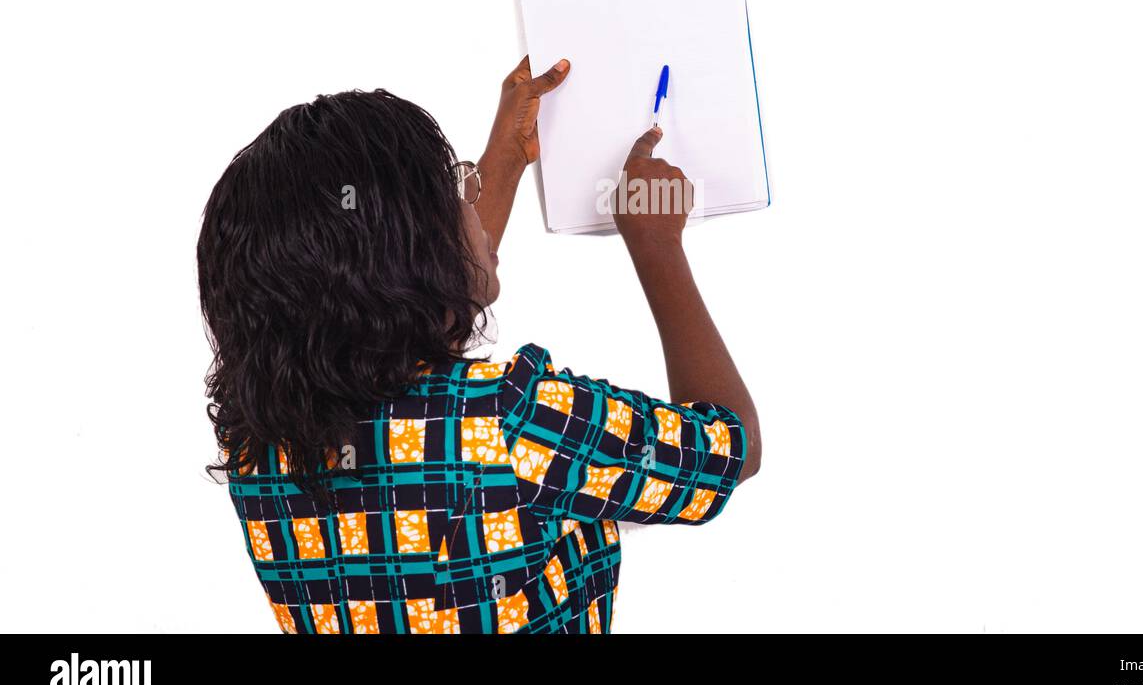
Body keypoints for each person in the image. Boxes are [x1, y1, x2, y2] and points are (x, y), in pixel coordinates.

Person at [197, 56, 761, 633]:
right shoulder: (515, 421)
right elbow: (729, 450)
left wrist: (506, 159)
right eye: (457, 194)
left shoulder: (256, 447)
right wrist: (655, 240)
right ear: (412, 257)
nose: (470, 205)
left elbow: (410, 327)